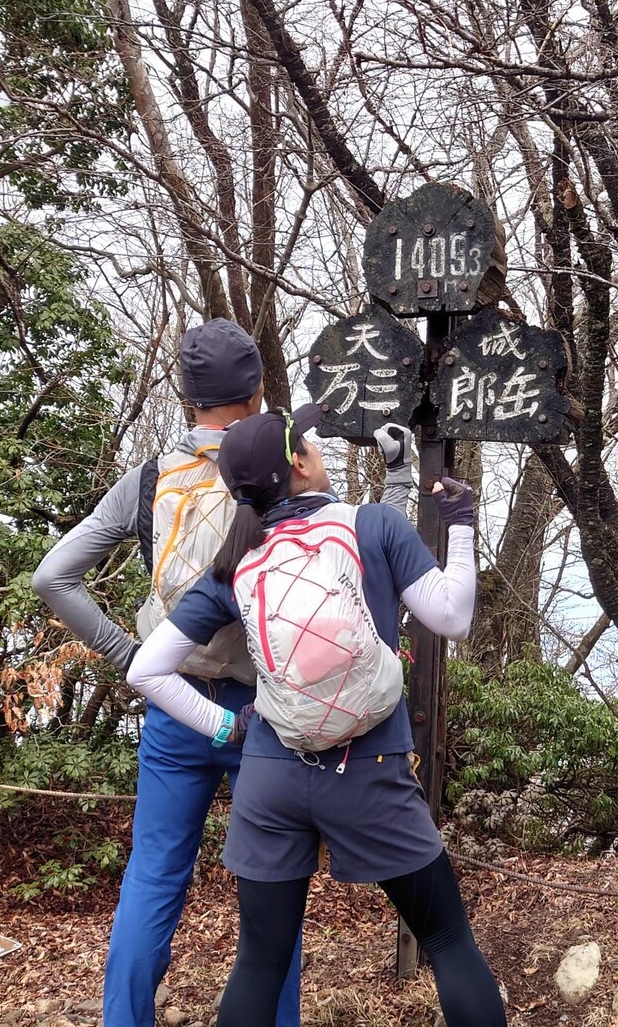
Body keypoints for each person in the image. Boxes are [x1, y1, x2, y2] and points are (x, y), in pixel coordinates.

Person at [32, 318, 417, 1027]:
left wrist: (128, 656)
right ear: (258, 390)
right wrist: (401, 483)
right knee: (274, 896)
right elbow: (367, 559)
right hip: (269, 716)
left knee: (152, 877)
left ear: (187, 397)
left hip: (175, 706)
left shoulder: (150, 480)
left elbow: (54, 577)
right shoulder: (273, 477)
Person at [125, 405, 506, 1027]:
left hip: (272, 773)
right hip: (369, 766)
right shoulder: (372, 527)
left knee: (259, 961)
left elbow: (147, 669)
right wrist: (459, 523)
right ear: (300, 463)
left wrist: (225, 725)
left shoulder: (235, 564)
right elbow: (452, 617)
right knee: (446, 941)